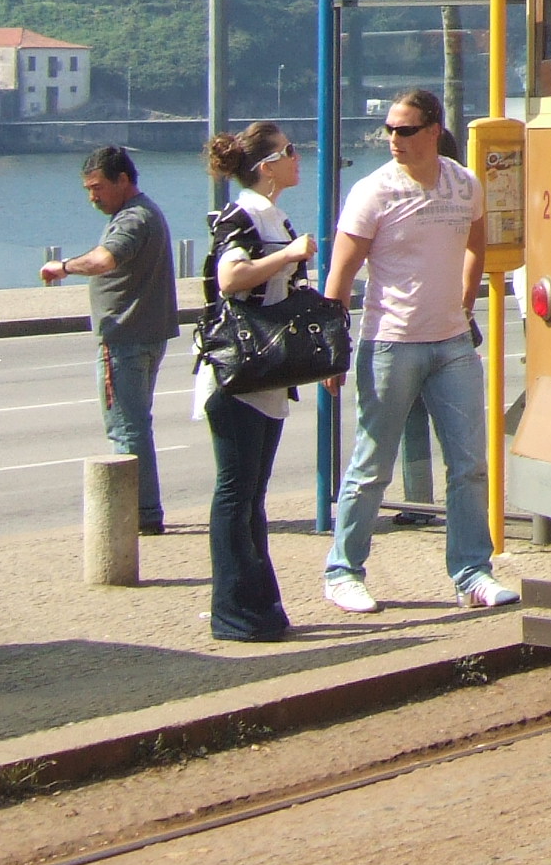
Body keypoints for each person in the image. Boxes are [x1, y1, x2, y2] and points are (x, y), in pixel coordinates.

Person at [317, 89, 517, 613]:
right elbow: (340, 273)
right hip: (391, 342)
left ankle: (472, 573)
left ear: (432, 131)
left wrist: (465, 301)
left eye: (404, 130)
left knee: (469, 464)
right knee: (372, 466)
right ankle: (343, 572)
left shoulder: (464, 183)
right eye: (389, 129)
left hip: (451, 343)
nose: (393, 139)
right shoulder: (373, 191)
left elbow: (477, 243)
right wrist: (332, 348)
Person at [196, 122, 313, 642]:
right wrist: (288, 256)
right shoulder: (242, 214)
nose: (297, 157)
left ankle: (260, 609)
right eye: (290, 151)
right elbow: (231, 278)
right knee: (236, 491)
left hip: (265, 373)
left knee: (250, 495)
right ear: (267, 166)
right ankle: (232, 612)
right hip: (237, 374)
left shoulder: (272, 215)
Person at [41, 145, 178, 535]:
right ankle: (145, 510)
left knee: (126, 429)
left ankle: (139, 514)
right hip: (144, 334)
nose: (92, 197)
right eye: (88, 189)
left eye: (97, 187)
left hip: (126, 338)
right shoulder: (142, 213)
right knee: (136, 426)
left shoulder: (134, 218)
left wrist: (63, 267)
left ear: (123, 180)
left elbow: (103, 260)